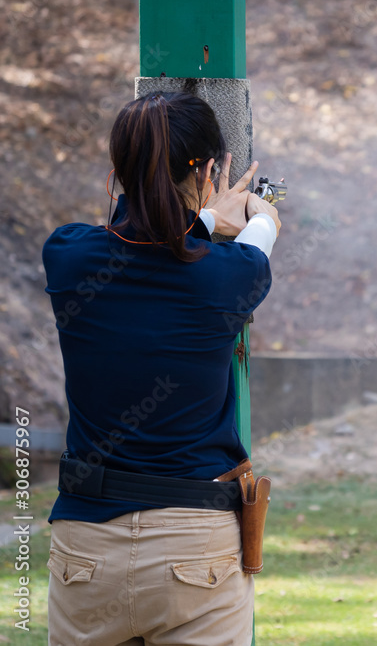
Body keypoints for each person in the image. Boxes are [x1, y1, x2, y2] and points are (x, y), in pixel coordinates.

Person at [42, 91, 281, 645]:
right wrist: (259, 216)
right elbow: (251, 248)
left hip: (86, 541)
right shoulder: (231, 274)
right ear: (205, 172)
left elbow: (142, 249)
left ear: (117, 171)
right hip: (195, 545)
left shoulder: (69, 256)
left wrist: (198, 219)